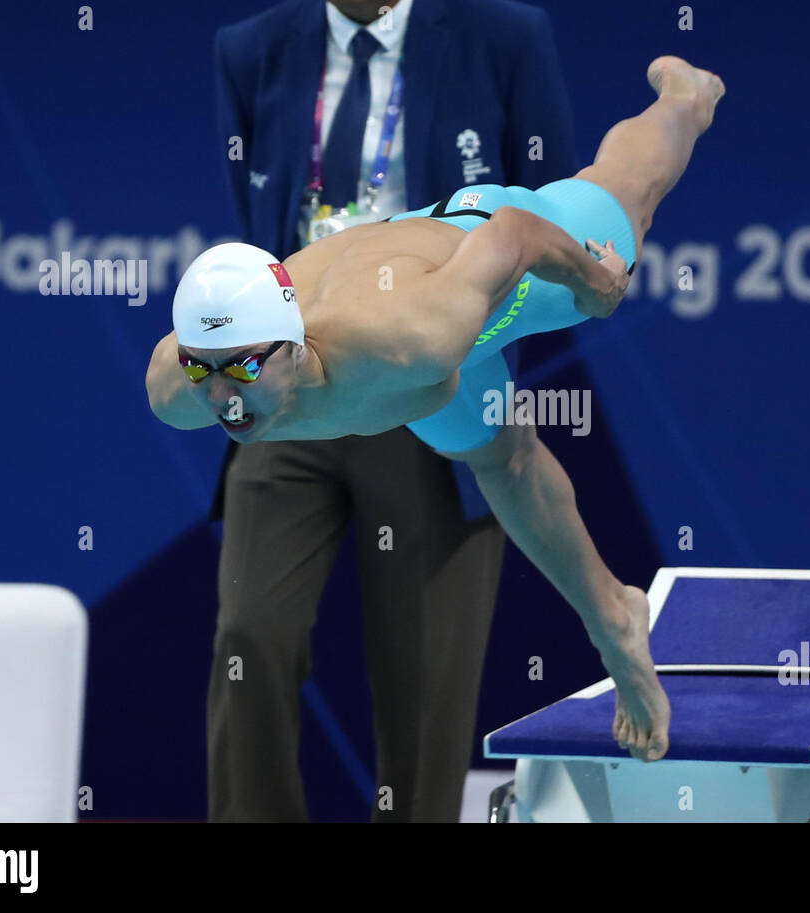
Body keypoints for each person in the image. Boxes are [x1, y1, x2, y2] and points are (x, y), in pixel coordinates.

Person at [150, 55, 726, 762]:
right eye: (203, 368)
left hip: (475, 253)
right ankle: (617, 617)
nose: (222, 398)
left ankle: (686, 99)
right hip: (395, 308)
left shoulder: (409, 338)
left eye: (242, 367)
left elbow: (513, 234)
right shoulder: (179, 392)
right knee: (500, 458)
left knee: (622, 198)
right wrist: (216, 362)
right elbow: (210, 360)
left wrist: (592, 278)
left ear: (294, 347)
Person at [206, 0, 578, 822]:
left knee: (422, 681)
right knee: (249, 636)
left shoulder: (504, 38)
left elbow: (547, 211)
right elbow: (257, 221)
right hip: (294, 393)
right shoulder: (251, 51)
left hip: (428, 387)